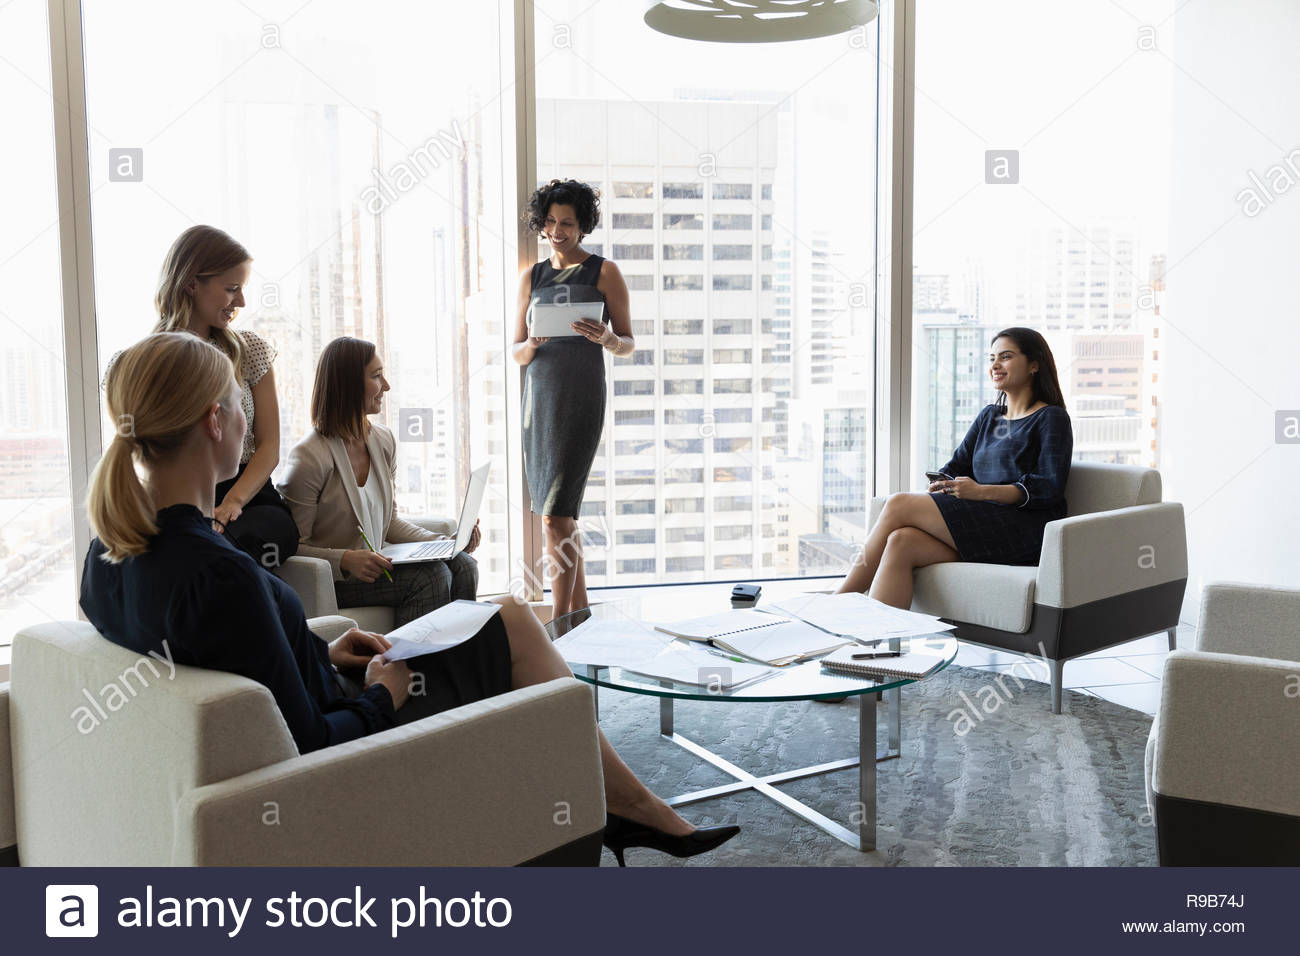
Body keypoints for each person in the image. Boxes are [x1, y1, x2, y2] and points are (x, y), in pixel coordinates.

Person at [80, 332, 739, 864]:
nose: (250, 426)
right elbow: (309, 746)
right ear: (214, 420)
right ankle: (619, 813)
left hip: (331, 687)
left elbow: (227, 651)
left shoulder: (107, 557)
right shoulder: (219, 573)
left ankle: (621, 807)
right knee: (514, 629)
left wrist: (323, 646)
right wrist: (382, 692)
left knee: (504, 613)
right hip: (355, 740)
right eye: (240, 407)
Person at [838, 327, 1073, 609]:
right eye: (991, 358)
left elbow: (1048, 487)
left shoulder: (1051, 418)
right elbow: (955, 465)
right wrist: (944, 483)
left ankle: (841, 602)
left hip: (1024, 531)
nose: (995, 365)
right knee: (902, 541)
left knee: (899, 504)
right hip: (983, 522)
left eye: (1006, 357)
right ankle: (878, 642)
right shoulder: (990, 416)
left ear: (1034, 364)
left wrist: (980, 492)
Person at [278, 337, 480, 627]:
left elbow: (390, 523)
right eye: (376, 376)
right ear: (348, 385)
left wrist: (443, 544)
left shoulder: (382, 440)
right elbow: (292, 547)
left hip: (377, 567)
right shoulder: (309, 457)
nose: (386, 385)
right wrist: (346, 559)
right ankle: (409, 670)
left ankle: (456, 667)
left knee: (463, 565)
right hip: (336, 580)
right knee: (432, 577)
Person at [512, 179, 634, 618]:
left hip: (580, 400)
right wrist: (534, 343)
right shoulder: (533, 275)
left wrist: (607, 338)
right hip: (539, 402)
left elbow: (629, 343)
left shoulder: (605, 272)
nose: (557, 231)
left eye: (567, 223)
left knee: (554, 516)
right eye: (550, 222)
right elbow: (516, 350)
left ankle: (559, 624)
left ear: (583, 226)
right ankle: (579, 618)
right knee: (561, 518)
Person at [147, 224, 297, 568]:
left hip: (250, 498)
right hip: (177, 497)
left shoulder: (251, 351)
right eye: (232, 289)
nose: (242, 302)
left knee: (242, 541)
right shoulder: (146, 360)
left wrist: (232, 503)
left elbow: (270, 446)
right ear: (190, 283)